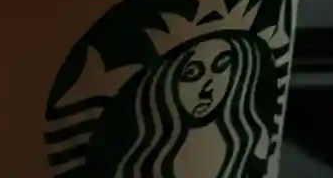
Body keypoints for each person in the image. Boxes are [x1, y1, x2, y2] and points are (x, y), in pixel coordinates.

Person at [93, 33, 276, 178]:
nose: (208, 89)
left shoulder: (254, 139)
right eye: (192, 73)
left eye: (221, 66)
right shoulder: (139, 160)